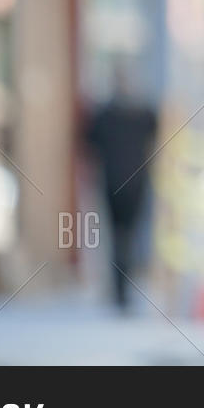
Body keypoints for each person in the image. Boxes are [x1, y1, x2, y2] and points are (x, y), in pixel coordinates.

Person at [85, 69, 159, 311]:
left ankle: (121, 290)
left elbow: (89, 143)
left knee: (120, 238)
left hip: (117, 184)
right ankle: (122, 290)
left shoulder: (106, 115)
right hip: (131, 184)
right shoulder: (141, 114)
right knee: (125, 237)